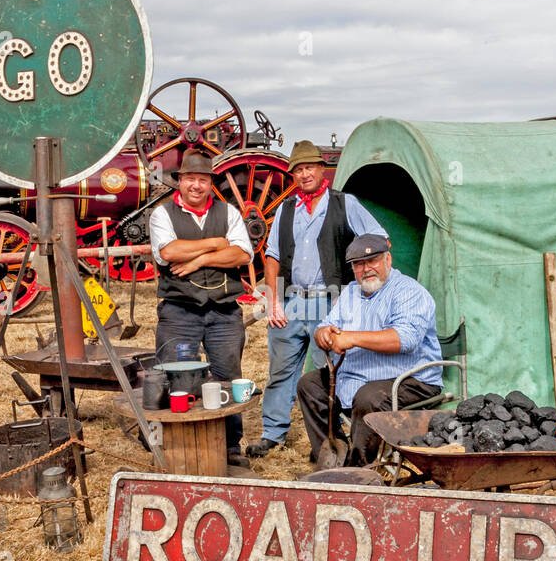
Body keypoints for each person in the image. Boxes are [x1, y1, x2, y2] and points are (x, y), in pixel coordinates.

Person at [246, 140, 387, 459]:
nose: (304, 173)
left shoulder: (344, 204)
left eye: (309, 167)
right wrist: (272, 300)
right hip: (290, 300)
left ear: (322, 169)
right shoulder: (285, 209)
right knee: (281, 369)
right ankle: (273, 433)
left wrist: (360, 287)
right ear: (292, 174)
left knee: (331, 372)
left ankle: (333, 434)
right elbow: (272, 255)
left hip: (331, 302)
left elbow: (377, 240)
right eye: (298, 169)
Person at [296, 234, 443, 467]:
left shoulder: (408, 291)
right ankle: (335, 460)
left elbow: (405, 339)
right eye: (358, 264)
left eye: (372, 261)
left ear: (388, 259)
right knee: (309, 384)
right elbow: (327, 326)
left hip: (410, 379)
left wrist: (351, 338)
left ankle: (360, 468)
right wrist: (322, 333)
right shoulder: (351, 292)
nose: (366, 269)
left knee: (369, 397)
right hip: (356, 375)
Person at [149, 150, 255, 467]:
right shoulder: (162, 215)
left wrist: (200, 259)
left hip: (223, 311)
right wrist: (217, 243)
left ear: (211, 183)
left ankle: (229, 448)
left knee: (228, 376)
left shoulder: (228, 212)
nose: (197, 185)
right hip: (179, 311)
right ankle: (178, 447)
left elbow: (243, 255)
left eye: (203, 179)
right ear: (180, 181)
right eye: (191, 178)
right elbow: (168, 251)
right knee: (178, 377)